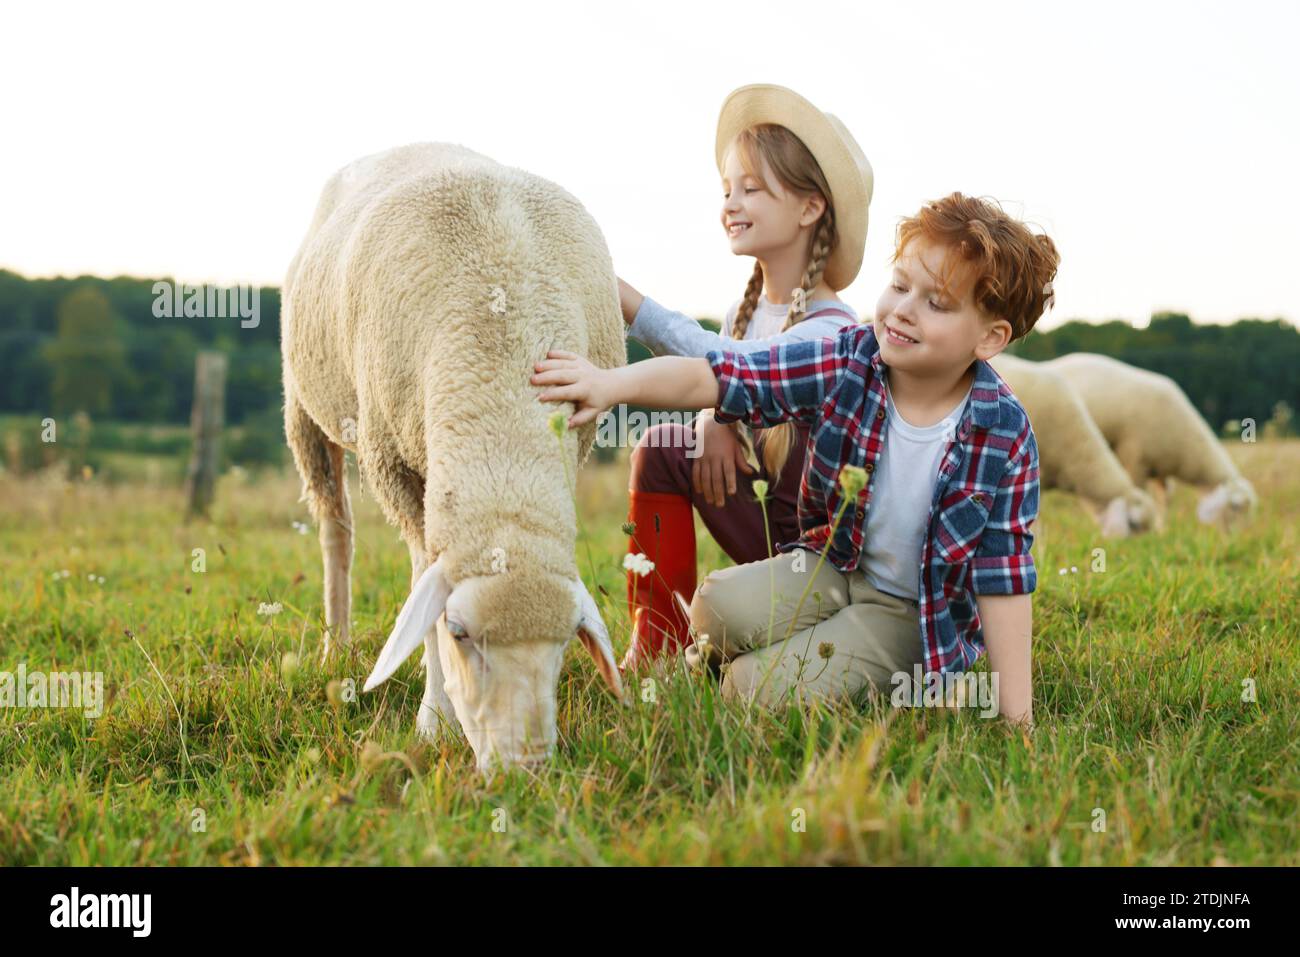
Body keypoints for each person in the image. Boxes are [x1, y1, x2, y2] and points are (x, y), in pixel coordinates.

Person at [534, 192, 1059, 725]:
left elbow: (1004, 576)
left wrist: (1017, 717)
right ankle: (717, 657)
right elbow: (719, 375)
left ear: (990, 338)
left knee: (752, 688)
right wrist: (610, 383)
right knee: (713, 605)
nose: (903, 309)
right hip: (835, 564)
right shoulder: (850, 357)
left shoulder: (1004, 432)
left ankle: (761, 673)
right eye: (900, 285)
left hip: (912, 614)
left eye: (936, 303)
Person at [615, 83, 872, 670]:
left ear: (810, 208)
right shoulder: (745, 314)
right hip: (763, 524)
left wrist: (627, 302)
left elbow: (733, 369)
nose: (730, 202)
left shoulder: (834, 331)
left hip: (822, 553)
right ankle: (654, 638)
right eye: (727, 188)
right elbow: (725, 372)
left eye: (751, 189)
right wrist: (712, 419)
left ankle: (790, 623)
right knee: (662, 446)